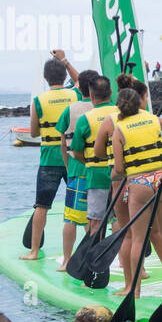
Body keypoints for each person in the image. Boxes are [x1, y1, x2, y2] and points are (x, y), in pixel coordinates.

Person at [102, 82, 162, 297]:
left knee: (137, 238)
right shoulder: (153, 119)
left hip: (140, 183)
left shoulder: (119, 130)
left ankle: (133, 289)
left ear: (119, 108)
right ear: (140, 103)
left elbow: (118, 169)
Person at [22, 53, 81, 260]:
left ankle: (34, 251)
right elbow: (81, 81)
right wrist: (65, 60)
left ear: (46, 78)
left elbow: (33, 133)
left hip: (49, 158)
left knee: (42, 205)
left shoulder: (39, 100)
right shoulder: (74, 95)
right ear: (64, 76)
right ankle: (82, 250)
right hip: (73, 157)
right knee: (80, 205)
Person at [54, 68, 99, 269]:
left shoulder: (70, 110)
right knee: (99, 218)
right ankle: (96, 258)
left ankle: (66, 260)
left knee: (71, 218)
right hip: (101, 171)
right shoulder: (106, 109)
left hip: (76, 171)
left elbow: (63, 144)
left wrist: (67, 166)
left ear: (78, 86)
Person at [70, 76, 118, 240]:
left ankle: (96, 262)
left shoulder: (85, 119)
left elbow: (76, 152)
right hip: (121, 172)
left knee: (96, 221)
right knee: (119, 218)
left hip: (96, 174)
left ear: (91, 96)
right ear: (111, 92)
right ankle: (123, 259)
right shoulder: (122, 113)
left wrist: (89, 163)